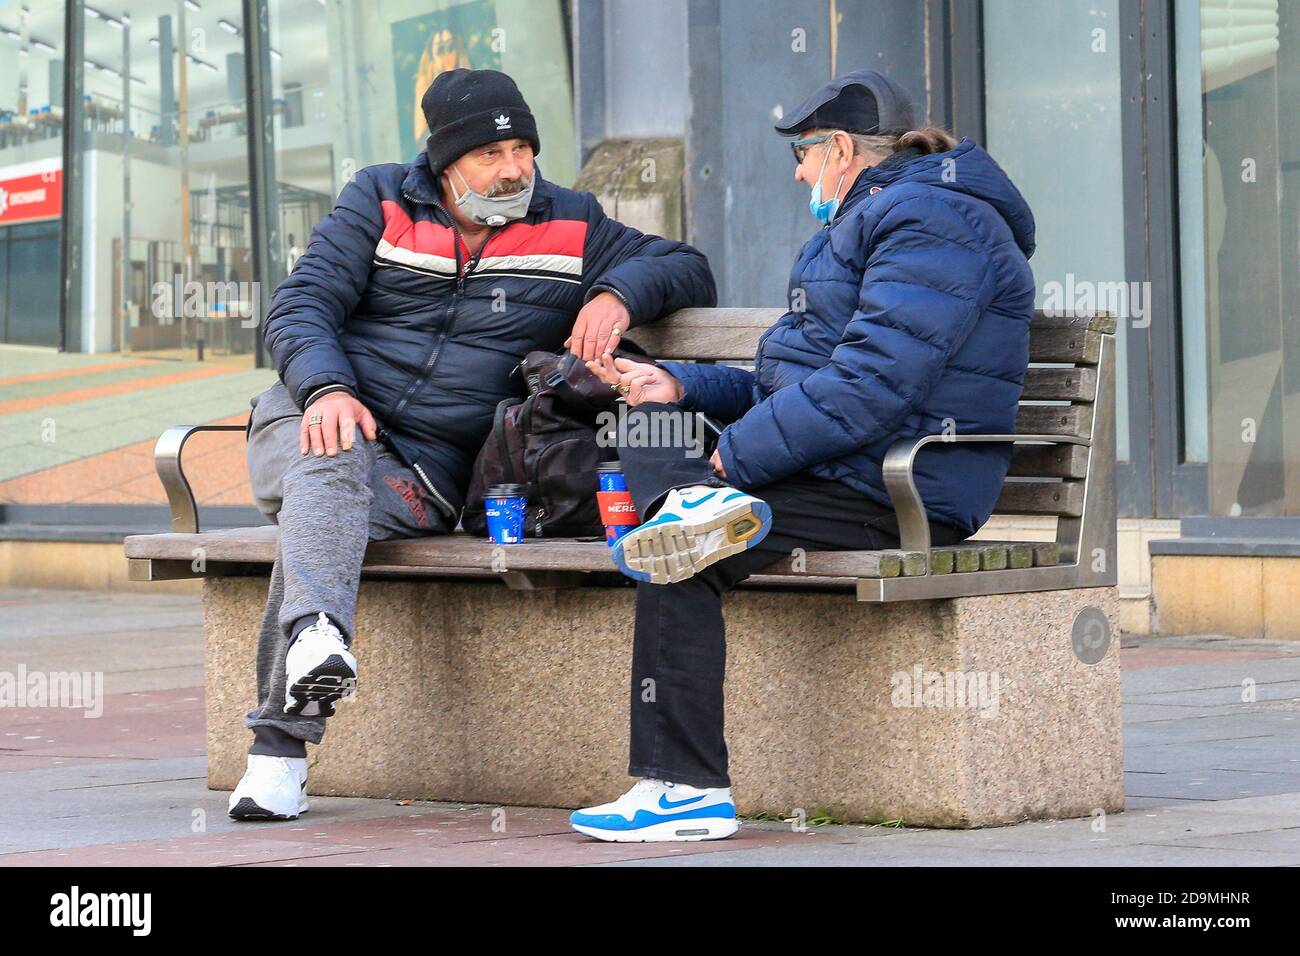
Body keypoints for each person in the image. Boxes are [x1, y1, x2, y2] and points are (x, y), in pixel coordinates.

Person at [228, 68, 716, 821]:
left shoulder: (571, 222)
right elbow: (301, 304)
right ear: (445, 162)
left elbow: (688, 267)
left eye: (523, 149)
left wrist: (618, 294)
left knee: (322, 517)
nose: (514, 169)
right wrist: (327, 387)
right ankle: (301, 680)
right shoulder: (380, 199)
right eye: (491, 154)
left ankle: (293, 706)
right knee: (332, 455)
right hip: (311, 418)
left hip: (423, 477)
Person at [569, 69, 1037, 842]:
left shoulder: (936, 221)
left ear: (842, 150)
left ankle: (686, 791)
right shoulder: (877, 219)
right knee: (648, 427)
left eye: (804, 153)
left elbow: (869, 386)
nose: (797, 173)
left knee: (679, 554)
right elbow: (791, 385)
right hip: (839, 465)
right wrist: (678, 384)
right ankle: (690, 505)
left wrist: (733, 459)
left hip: (897, 486)